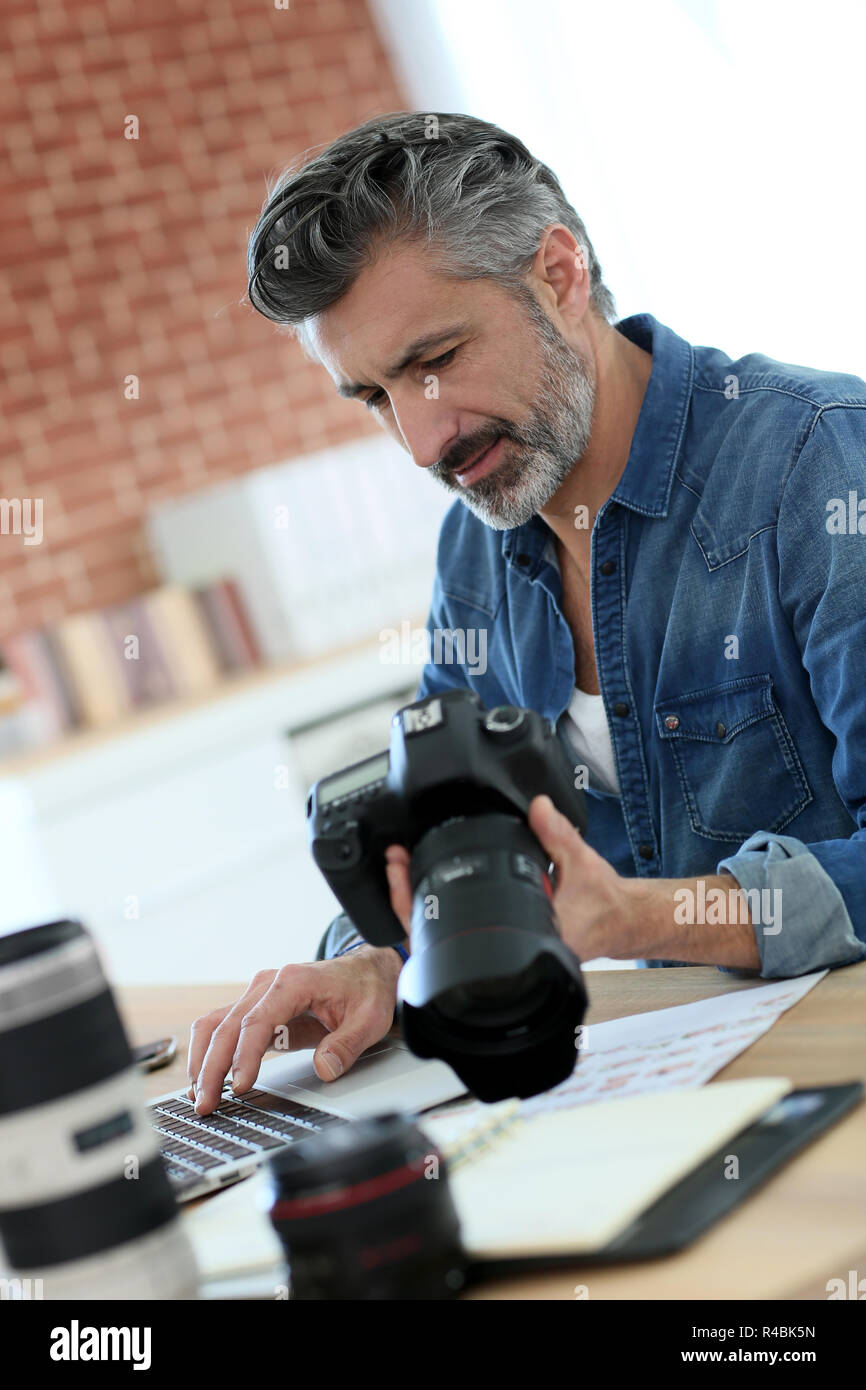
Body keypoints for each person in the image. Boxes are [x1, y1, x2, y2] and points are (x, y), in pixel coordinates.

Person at [188, 112, 866, 1115]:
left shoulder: (816, 467)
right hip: (654, 1088)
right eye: (373, 397)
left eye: (435, 359)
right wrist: (376, 960)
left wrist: (641, 917)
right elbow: (438, 827)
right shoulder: (476, 548)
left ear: (557, 274)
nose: (421, 442)